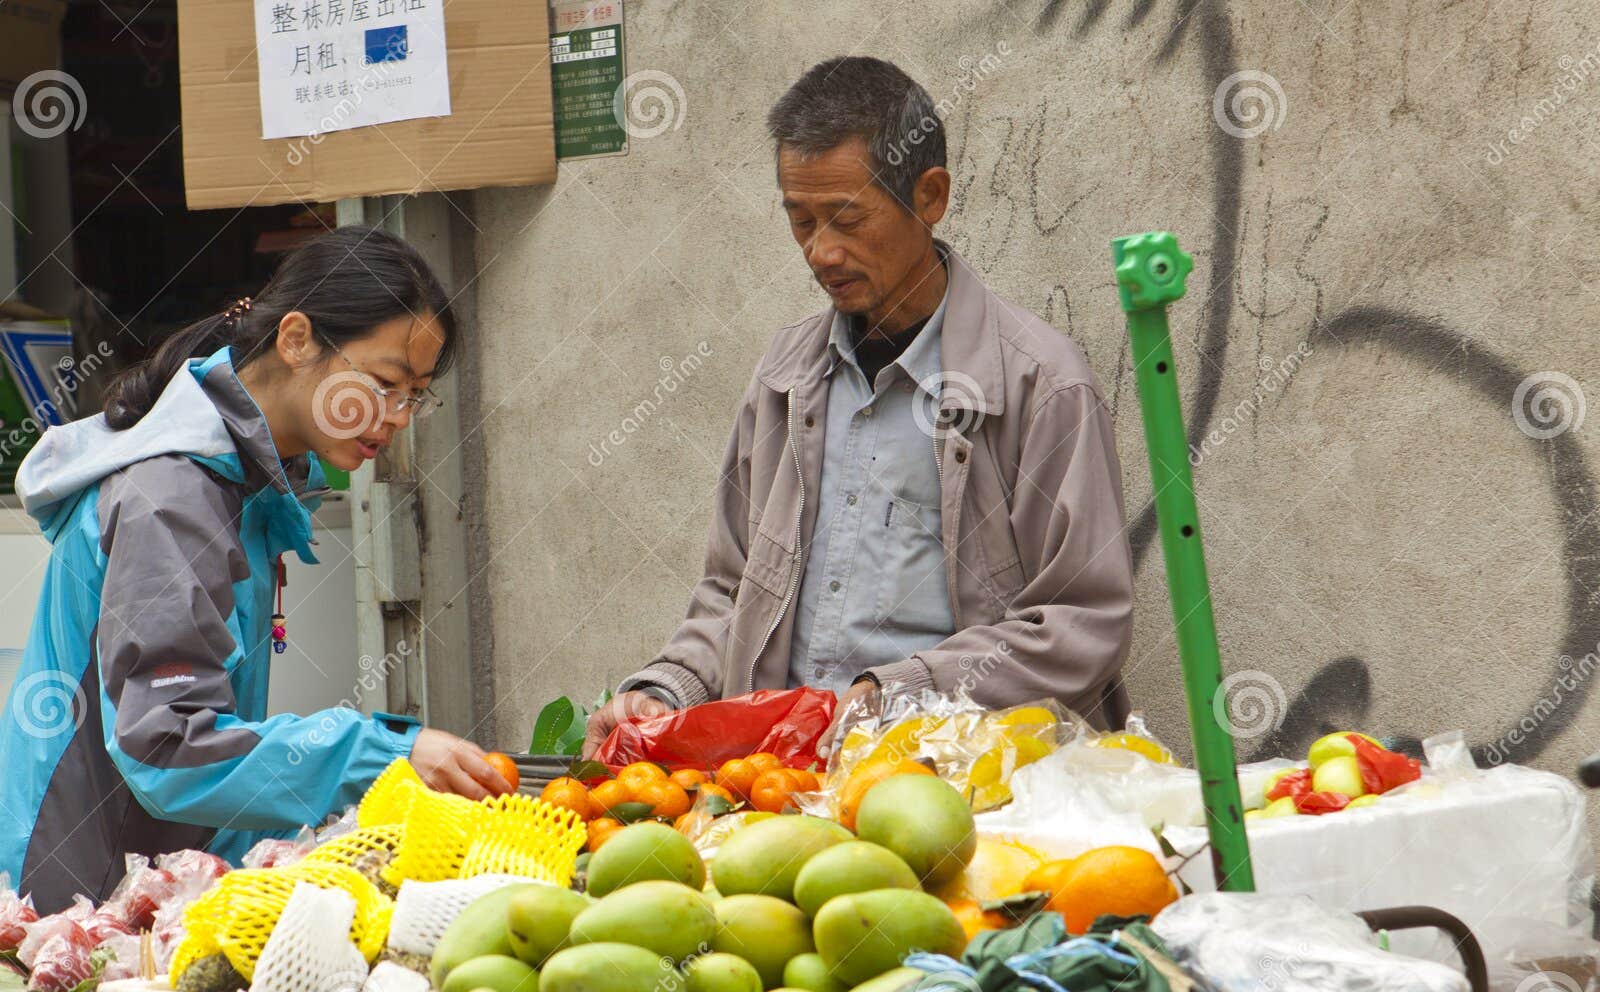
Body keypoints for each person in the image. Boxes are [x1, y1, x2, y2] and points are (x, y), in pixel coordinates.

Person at [585, 57, 1134, 759]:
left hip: (964, 786)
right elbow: (732, 590)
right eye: (801, 220)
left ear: (929, 196)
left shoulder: (1038, 383)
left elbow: (1082, 621)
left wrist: (904, 688)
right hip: (784, 783)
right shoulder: (785, 380)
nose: (822, 251)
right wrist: (665, 690)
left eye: (847, 218)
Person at [1, 226, 506, 912]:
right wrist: (378, 752)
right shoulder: (173, 494)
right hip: (71, 901)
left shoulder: (250, 480)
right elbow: (166, 747)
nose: (396, 418)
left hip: (145, 880)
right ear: (296, 339)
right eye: (384, 382)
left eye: (415, 395)